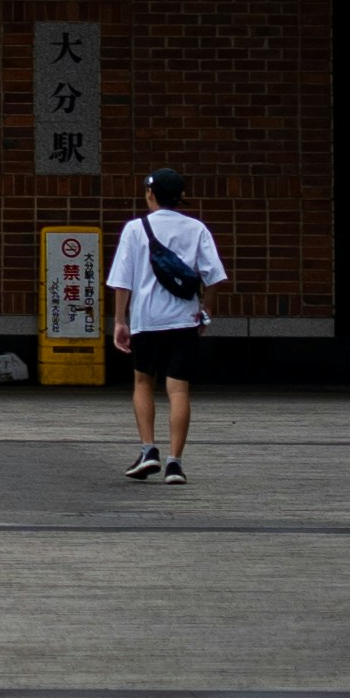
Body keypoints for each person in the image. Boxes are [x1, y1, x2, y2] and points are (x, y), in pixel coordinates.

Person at [108, 166, 229, 478]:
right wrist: (205, 310)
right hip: (184, 321)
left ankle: (149, 450)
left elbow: (122, 280)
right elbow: (214, 276)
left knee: (143, 382)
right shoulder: (197, 228)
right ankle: (175, 463)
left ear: (150, 193)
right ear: (180, 196)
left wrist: (120, 321)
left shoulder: (135, 229)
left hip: (146, 321)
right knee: (179, 390)